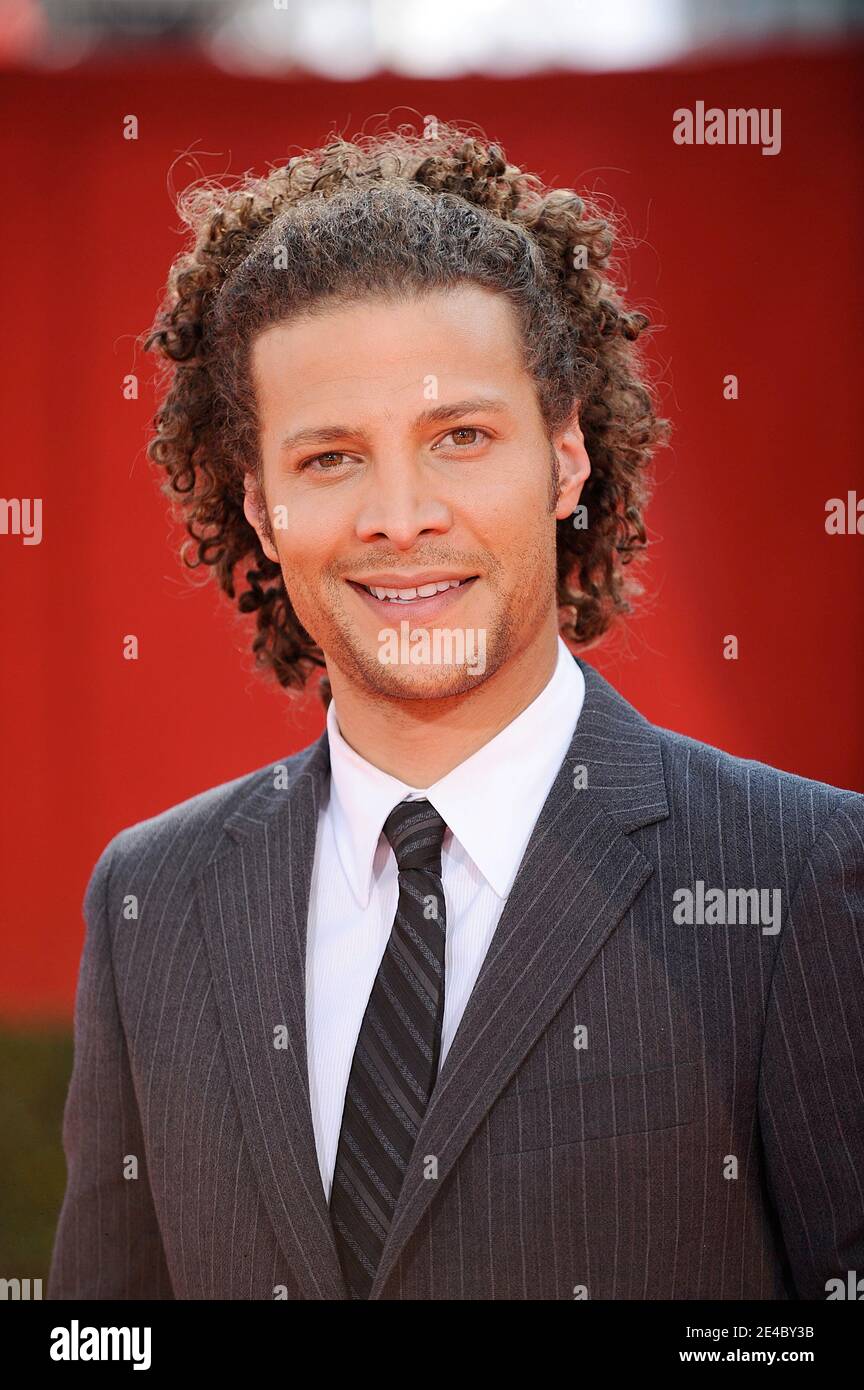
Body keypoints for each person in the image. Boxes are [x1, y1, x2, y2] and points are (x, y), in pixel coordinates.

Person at [48, 124, 863, 1301]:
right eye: (330, 458)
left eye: (461, 438)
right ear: (262, 509)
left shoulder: (801, 880)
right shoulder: (151, 902)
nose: (400, 513)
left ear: (567, 458)